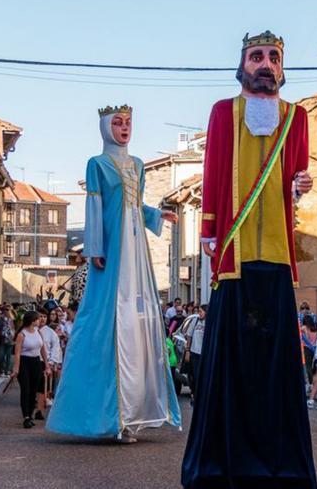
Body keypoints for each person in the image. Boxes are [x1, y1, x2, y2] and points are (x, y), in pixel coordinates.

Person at [182, 31, 316, 488]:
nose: (265, 64)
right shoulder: (224, 112)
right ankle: (221, 463)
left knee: (277, 367)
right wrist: (208, 230)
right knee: (229, 364)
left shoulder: (297, 117)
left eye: (273, 57)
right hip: (234, 257)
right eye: (256, 56)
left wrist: (302, 184)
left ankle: (283, 465)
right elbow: (213, 168)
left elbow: (299, 171)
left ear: (281, 68)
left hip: (277, 256)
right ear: (243, 65)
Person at [48, 104, 181, 442]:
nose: (125, 128)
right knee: (107, 318)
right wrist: (94, 248)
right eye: (118, 123)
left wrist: (158, 216)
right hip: (113, 248)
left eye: (128, 123)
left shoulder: (137, 165)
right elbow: (95, 206)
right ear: (106, 127)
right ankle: (107, 414)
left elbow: (135, 204)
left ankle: (138, 410)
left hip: (136, 247)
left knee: (139, 320)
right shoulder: (97, 164)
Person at [11, 311, 51, 428]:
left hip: (36, 362)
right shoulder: (22, 334)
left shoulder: (38, 333)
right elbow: (17, 353)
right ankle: (26, 417)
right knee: (25, 390)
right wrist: (16, 368)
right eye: (38, 319)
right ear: (32, 321)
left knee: (33, 390)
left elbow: (43, 350)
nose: (40, 321)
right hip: (24, 362)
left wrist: (47, 365)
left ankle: (30, 413)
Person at [36, 309, 62, 417]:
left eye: (44, 317)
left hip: (44, 362)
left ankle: (39, 410)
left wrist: (52, 362)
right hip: (32, 360)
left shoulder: (50, 333)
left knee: (42, 387)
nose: (42, 319)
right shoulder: (31, 330)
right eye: (40, 316)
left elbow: (56, 348)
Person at [184, 305, 206, 399]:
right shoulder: (195, 320)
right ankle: (195, 394)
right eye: (199, 312)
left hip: (205, 354)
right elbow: (189, 336)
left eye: (201, 312)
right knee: (195, 375)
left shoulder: (210, 322)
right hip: (195, 352)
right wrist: (188, 351)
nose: (199, 314)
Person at [0, 305, 16, 377]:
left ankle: (7, 371)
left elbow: (14, 328)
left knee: (8, 356)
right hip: (3, 339)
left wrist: (14, 337)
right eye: (6, 309)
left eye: (8, 310)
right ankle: (1, 370)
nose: (7, 311)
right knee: (1, 356)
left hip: (10, 340)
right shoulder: (0, 318)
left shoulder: (12, 318)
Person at [300, 315, 317, 388]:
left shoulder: (304, 327)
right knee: (314, 366)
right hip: (315, 348)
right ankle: (315, 382)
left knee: (308, 366)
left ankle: (311, 383)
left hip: (307, 348)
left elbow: (305, 337)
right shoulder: (315, 328)